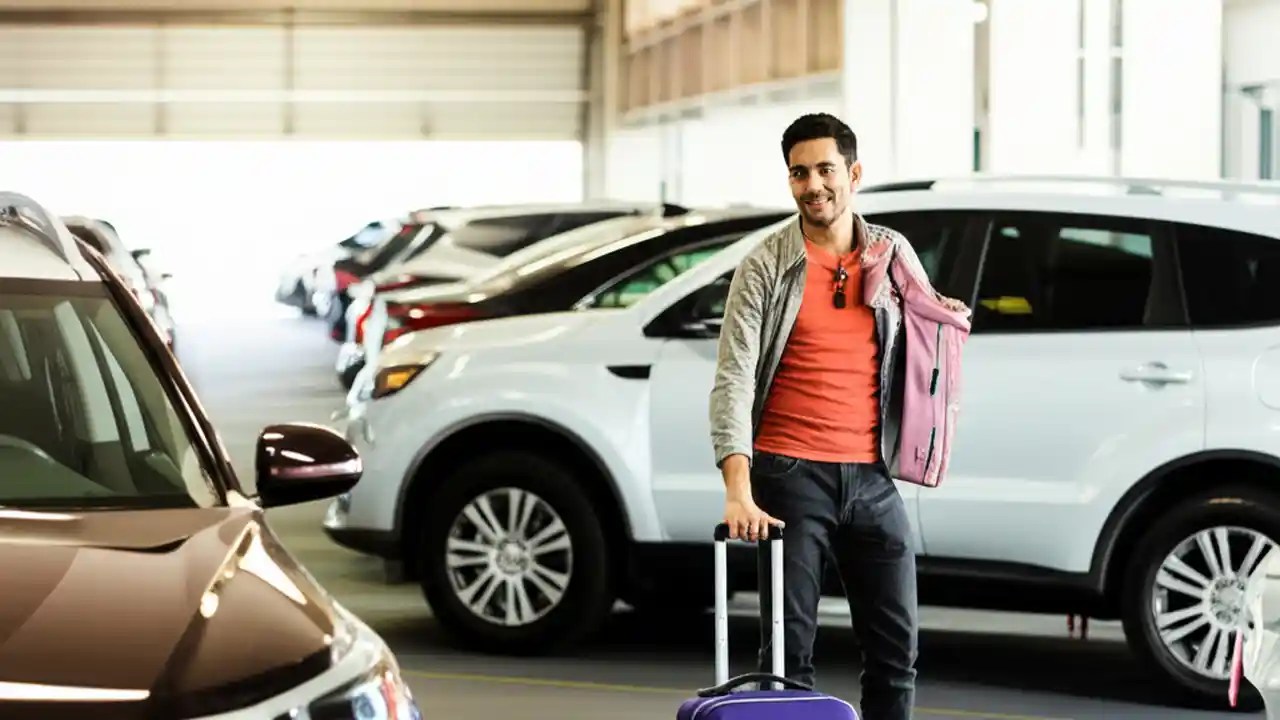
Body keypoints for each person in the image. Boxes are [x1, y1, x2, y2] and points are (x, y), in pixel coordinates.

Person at [708, 112, 968, 720]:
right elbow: (734, 377)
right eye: (799, 174)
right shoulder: (766, 265)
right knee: (788, 659)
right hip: (789, 476)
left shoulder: (891, 253)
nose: (813, 185)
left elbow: (931, 343)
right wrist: (739, 491)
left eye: (825, 170)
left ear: (853, 174)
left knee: (896, 654)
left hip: (873, 478)